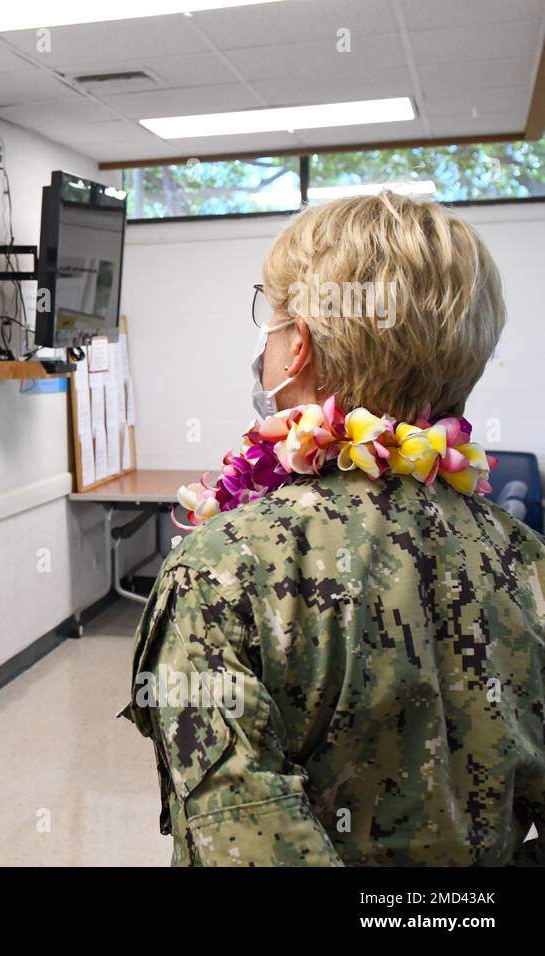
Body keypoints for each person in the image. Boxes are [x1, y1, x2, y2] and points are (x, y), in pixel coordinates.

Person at [124, 191, 545, 866]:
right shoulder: (527, 562)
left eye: (273, 316)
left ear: (301, 350)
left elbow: (244, 836)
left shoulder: (222, 570)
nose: (265, 338)